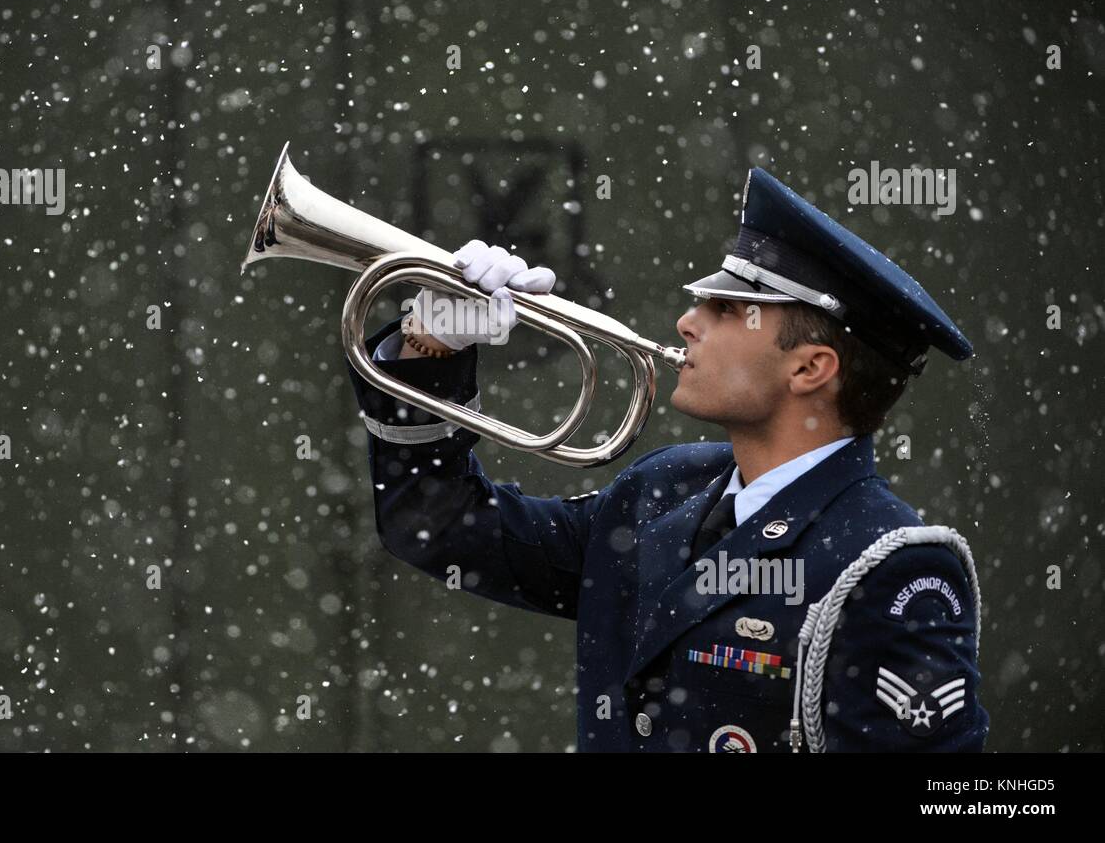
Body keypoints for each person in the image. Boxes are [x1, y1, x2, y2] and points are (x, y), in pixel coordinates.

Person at [345, 166, 989, 752]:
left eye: (727, 309)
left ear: (810, 368)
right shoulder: (662, 489)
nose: (687, 322)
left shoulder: (892, 568)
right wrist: (428, 347)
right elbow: (438, 527)